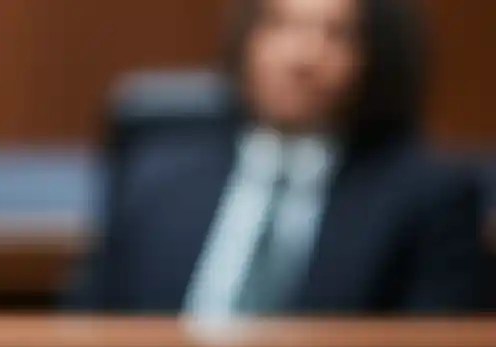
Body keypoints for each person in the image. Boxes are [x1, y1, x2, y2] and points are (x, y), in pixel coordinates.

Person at [74, 0, 486, 317]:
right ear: (247, 41)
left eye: (337, 34)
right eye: (281, 26)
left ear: (376, 57)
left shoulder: (428, 197)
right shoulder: (157, 181)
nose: (303, 57)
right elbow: (82, 333)